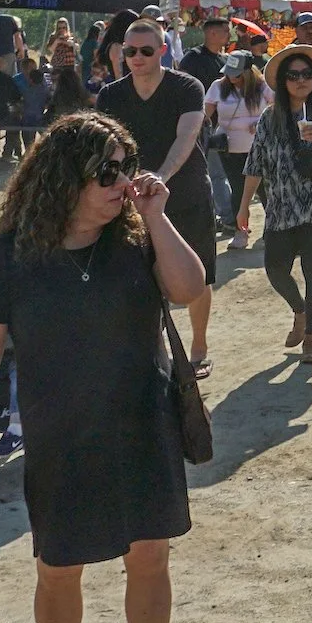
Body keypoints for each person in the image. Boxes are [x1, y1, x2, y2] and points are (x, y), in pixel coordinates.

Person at [0, 112, 208, 623]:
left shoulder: (136, 237)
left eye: (128, 166)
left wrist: (155, 215)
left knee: (148, 558)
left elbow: (190, 288)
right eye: (108, 171)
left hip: (141, 424)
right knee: (58, 566)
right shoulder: (14, 253)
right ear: (66, 178)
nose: (124, 181)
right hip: (60, 433)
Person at [99, 18, 220, 376]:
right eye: (130, 51)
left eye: (146, 51)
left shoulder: (187, 87)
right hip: (133, 199)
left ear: (163, 52)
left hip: (187, 193)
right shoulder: (112, 95)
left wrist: (161, 176)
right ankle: (160, 352)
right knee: (141, 276)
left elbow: (187, 136)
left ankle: (199, 345)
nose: (137, 57)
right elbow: (106, 145)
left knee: (198, 275)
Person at [239, 43, 312, 365]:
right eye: (293, 75)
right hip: (282, 206)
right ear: (282, 81)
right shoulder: (270, 118)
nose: (300, 80)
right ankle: (300, 310)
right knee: (275, 267)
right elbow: (256, 162)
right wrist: (244, 205)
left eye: (307, 74)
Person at [205, 54, 270, 251]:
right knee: (238, 189)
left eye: (237, 74)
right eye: (229, 73)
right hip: (229, 147)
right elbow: (205, 114)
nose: (232, 77)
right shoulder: (218, 86)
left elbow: (278, 108)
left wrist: (260, 122)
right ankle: (240, 231)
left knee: (264, 189)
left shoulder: (262, 86)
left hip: (257, 147)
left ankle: (273, 229)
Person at [179, 16, 235, 222]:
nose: (229, 35)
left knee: (222, 173)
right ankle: (227, 217)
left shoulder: (225, 60)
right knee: (215, 173)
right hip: (202, 123)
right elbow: (182, 86)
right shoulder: (193, 57)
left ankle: (223, 215)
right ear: (211, 33)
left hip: (227, 124)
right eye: (225, 31)